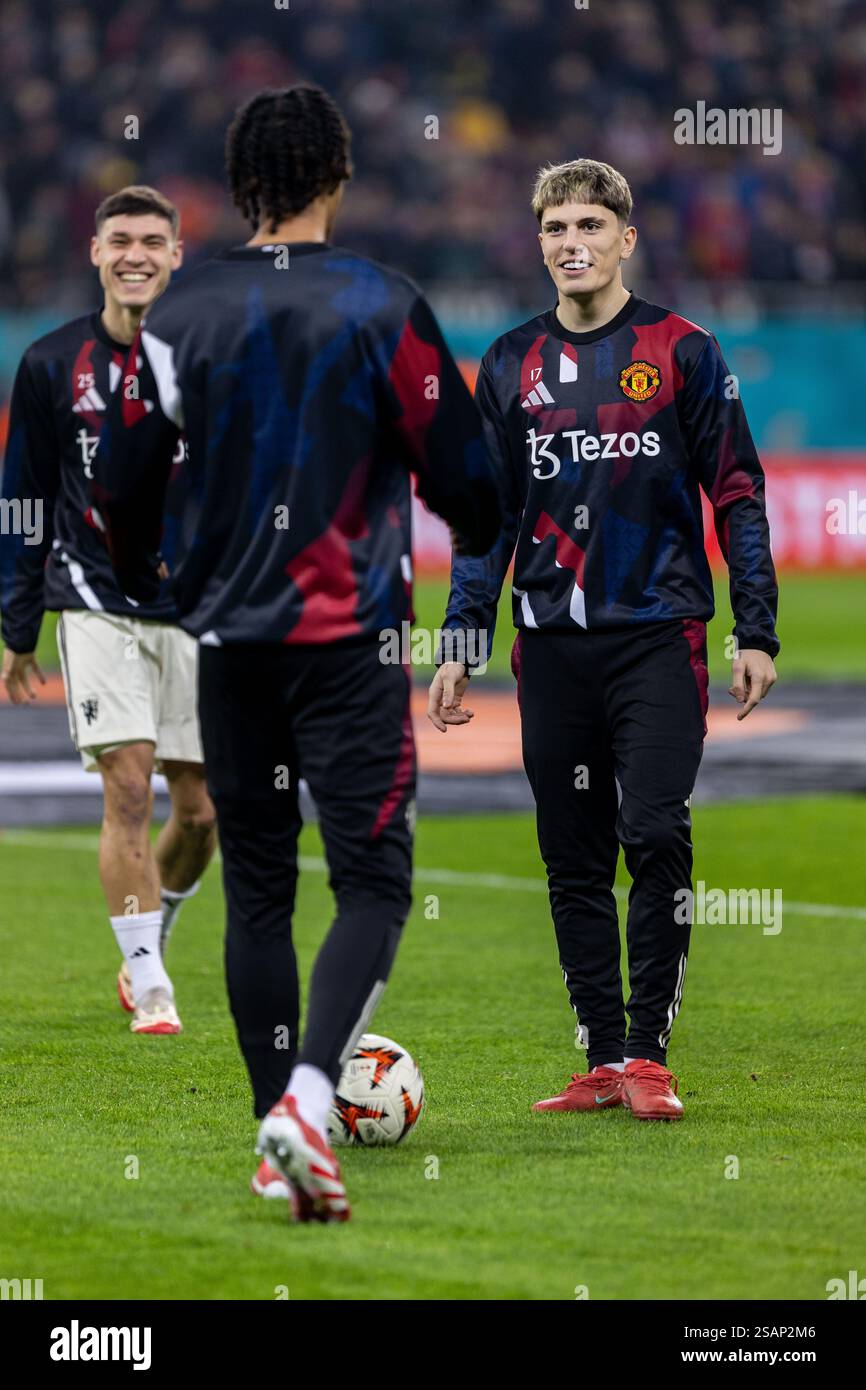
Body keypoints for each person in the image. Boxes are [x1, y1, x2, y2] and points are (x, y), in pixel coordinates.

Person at [91, 85, 501, 1220]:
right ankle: (310, 1099)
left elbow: (120, 480)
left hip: (230, 643)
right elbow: (466, 481)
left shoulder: (180, 313)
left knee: (257, 889)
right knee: (372, 880)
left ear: (237, 186)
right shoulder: (383, 303)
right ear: (337, 174)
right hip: (348, 642)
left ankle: (278, 1126)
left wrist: (152, 579)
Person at [428, 158, 779, 1121]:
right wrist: (460, 636)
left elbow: (738, 493)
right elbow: (484, 517)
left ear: (627, 238)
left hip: (659, 635)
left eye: (590, 224)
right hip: (551, 647)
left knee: (654, 829)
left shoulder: (684, 350)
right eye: (554, 228)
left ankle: (648, 1054)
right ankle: (597, 1056)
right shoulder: (506, 365)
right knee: (572, 854)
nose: (571, 242)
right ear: (538, 243)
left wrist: (757, 626)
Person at [0, 185, 217, 1036]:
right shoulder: (53, 363)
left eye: (151, 242)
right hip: (92, 599)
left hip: (196, 608)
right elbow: (21, 501)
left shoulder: (209, 363)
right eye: (119, 239)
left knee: (201, 814)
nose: (135, 254)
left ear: (175, 255)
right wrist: (18, 626)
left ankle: (151, 930)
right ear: (95, 253)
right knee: (127, 780)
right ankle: (148, 981)